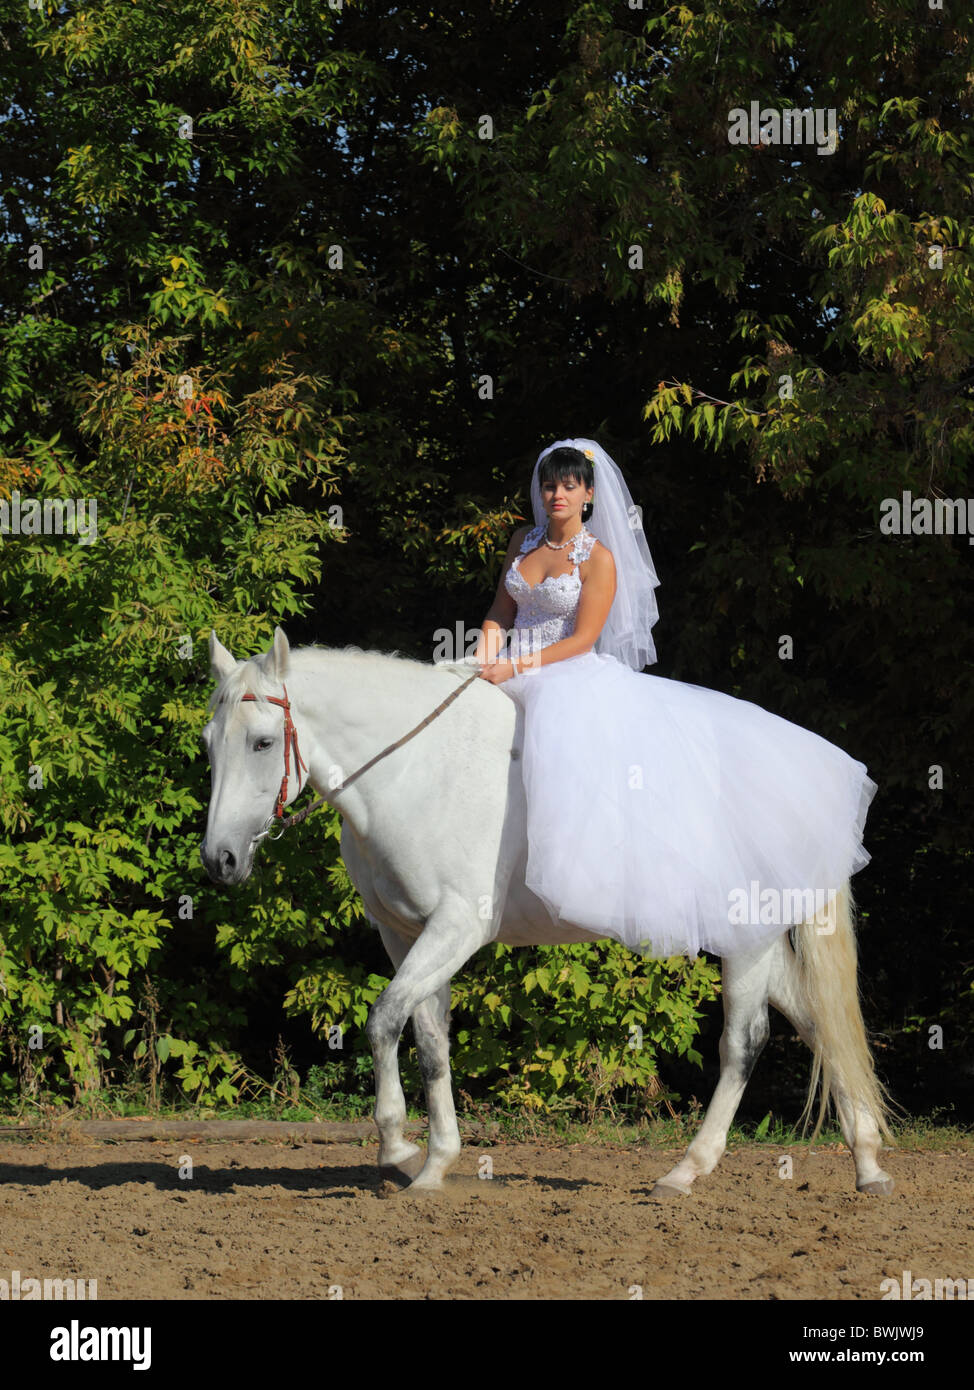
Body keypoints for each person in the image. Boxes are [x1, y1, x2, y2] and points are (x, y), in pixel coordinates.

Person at [474, 438, 876, 959]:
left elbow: (580, 639)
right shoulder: (522, 542)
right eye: (550, 484)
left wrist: (515, 664)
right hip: (506, 667)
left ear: (588, 494)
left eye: (569, 485)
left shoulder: (597, 559)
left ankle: (589, 876)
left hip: (561, 675)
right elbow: (499, 611)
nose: (557, 494)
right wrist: (485, 657)